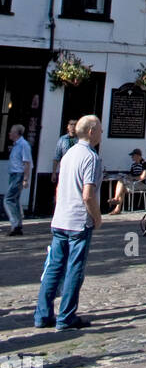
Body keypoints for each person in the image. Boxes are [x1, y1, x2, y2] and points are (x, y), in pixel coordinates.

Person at [34, 114, 103, 329]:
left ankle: (42, 315)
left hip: (61, 217)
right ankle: (66, 316)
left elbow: (59, 188)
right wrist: (97, 217)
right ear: (91, 131)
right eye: (99, 128)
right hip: (78, 221)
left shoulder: (69, 154)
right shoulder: (91, 157)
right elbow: (88, 194)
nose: (101, 132)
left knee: (54, 267)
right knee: (74, 268)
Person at [4, 123, 33, 235]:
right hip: (14, 175)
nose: (10, 133)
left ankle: (15, 223)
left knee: (8, 199)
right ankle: (18, 226)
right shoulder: (16, 145)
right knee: (15, 200)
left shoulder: (23, 145)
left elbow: (27, 163)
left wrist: (25, 179)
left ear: (16, 133)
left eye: (11, 131)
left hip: (18, 175)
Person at [52, 120, 78, 187]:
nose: (73, 126)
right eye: (71, 124)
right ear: (68, 126)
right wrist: (54, 172)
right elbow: (57, 156)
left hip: (77, 169)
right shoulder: (62, 139)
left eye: (75, 124)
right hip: (65, 169)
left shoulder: (80, 139)